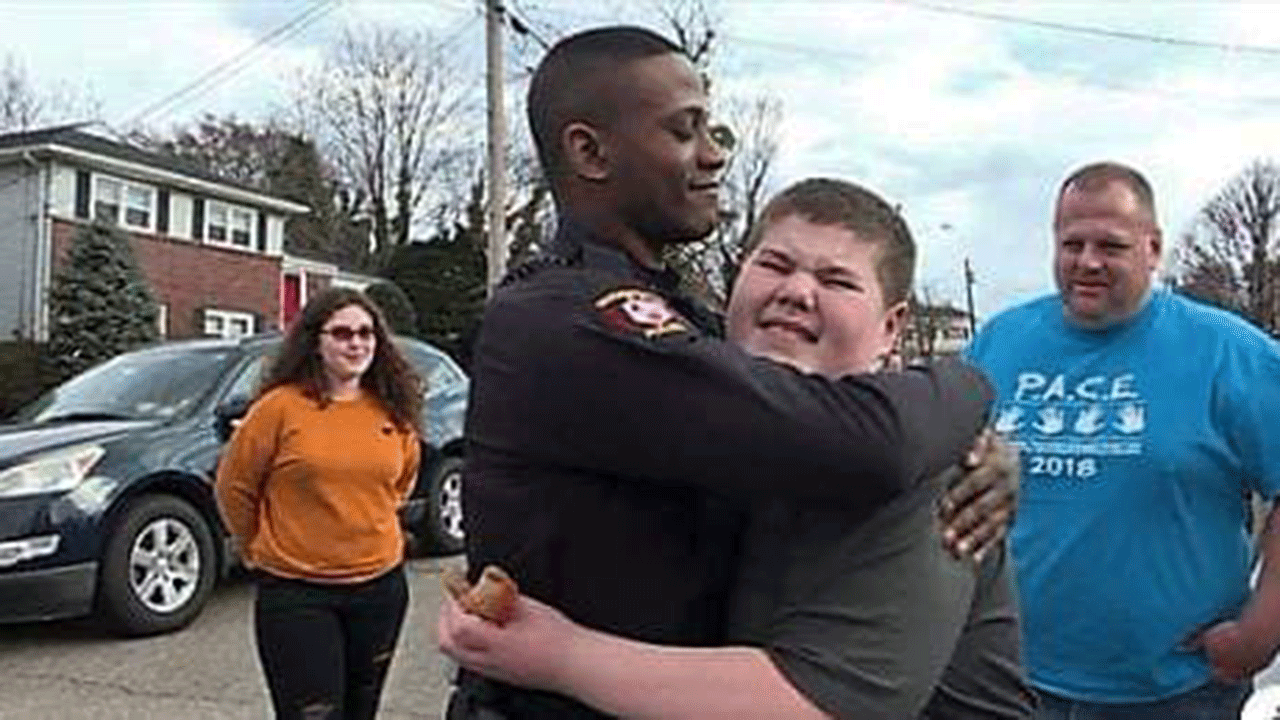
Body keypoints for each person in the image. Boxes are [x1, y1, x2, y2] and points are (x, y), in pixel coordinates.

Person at [447, 25, 1017, 719]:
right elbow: (867, 444)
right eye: (686, 131)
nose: (715, 153)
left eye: (836, 280)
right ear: (590, 152)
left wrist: (981, 443)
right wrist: (973, 387)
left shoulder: (677, 317)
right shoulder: (564, 322)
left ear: (891, 323)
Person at [965, 161, 1280, 718]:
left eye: (1110, 245)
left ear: (1153, 248)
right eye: (1072, 243)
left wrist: (1260, 631)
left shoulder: (1230, 354)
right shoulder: (999, 342)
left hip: (1180, 690)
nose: (1088, 262)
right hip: (1013, 679)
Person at [214, 288, 423, 720]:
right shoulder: (278, 409)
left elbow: (401, 483)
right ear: (316, 341)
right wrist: (256, 548)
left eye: (367, 333)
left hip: (380, 590)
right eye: (342, 333)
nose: (357, 343)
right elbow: (235, 487)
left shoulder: (392, 410)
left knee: (362, 710)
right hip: (298, 596)